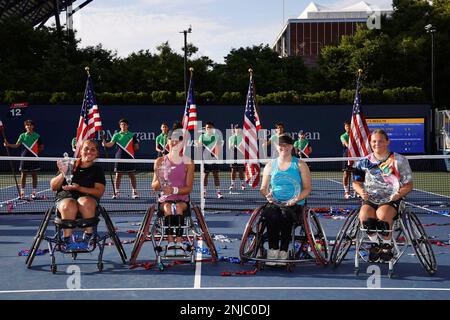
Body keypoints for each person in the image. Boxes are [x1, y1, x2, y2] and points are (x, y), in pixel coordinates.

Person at [352, 129, 413, 262]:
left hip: (391, 199)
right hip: (370, 199)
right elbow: (356, 183)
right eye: (374, 141)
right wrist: (361, 191)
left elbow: (409, 185)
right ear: (370, 143)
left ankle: (387, 246)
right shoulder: (363, 162)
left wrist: (398, 194)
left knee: (383, 216)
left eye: (380, 141)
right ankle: (375, 245)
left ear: (387, 142)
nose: (377, 144)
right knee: (365, 217)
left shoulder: (399, 160)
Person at [260, 134, 312, 266]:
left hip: (295, 203)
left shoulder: (300, 164)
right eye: (281, 145)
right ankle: (273, 250)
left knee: (286, 215)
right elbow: (263, 188)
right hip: (275, 202)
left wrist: (295, 199)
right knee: (271, 215)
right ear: (277, 147)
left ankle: (283, 251)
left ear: (292, 146)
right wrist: (268, 196)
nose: (284, 147)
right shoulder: (270, 165)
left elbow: (307, 189)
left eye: (287, 145)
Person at [50, 139, 106, 251]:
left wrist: (79, 188)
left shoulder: (97, 170)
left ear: (96, 154)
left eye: (93, 149)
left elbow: (99, 192)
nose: (89, 152)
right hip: (65, 199)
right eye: (86, 149)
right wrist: (63, 173)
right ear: (80, 151)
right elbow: (53, 187)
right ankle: (67, 239)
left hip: (88, 201)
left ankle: (88, 237)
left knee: (85, 201)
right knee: (69, 204)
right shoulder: (69, 164)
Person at [152, 122, 195, 255]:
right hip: (165, 200)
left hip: (182, 199)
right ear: (168, 141)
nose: (174, 143)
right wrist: (161, 178)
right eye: (172, 140)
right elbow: (154, 186)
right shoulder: (159, 161)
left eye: (178, 141)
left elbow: (188, 188)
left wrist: (174, 190)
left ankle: (180, 242)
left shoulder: (189, 162)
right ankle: (171, 243)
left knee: (178, 208)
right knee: (169, 208)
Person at [3, 119, 44, 199]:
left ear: (33, 126)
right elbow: (16, 145)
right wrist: (8, 144)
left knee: (34, 175)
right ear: (25, 127)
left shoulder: (37, 136)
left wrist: (35, 152)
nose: (28, 126)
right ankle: (22, 193)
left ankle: (34, 193)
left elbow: (41, 147)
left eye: (30, 125)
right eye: (27, 125)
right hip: (24, 158)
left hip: (34, 158)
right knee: (23, 175)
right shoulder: (22, 136)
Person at [103, 118, 140, 199]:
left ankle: (134, 192)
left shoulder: (132, 135)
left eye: (125, 124)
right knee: (118, 175)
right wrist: (105, 144)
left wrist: (134, 146)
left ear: (127, 126)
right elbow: (111, 144)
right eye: (122, 124)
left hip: (130, 157)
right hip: (119, 158)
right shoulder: (116, 135)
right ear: (120, 126)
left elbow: (136, 147)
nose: (123, 126)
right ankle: (116, 192)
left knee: (132, 175)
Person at [198, 121, 223, 199]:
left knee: (216, 175)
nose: (209, 128)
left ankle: (218, 193)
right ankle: (204, 193)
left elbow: (219, 145)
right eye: (207, 127)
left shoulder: (216, 136)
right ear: (205, 128)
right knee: (205, 176)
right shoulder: (201, 137)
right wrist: (198, 144)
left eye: (210, 127)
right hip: (205, 159)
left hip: (214, 158)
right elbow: (199, 145)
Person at [228, 124, 246, 192]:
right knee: (233, 170)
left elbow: (244, 147)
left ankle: (242, 184)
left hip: (240, 155)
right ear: (234, 129)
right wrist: (233, 144)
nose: (238, 129)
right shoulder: (231, 138)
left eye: (239, 128)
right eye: (236, 128)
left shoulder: (243, 137)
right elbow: (230, 147)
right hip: (233, 155)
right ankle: (232, 184)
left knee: (241, 170)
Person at [340, 120, 352, 199]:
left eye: (348, 126)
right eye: (346, 126)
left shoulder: (355, 135)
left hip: (355, 157)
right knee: (346, 174)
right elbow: (346, 144)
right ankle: (346, 192)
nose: (347, 127)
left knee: (356, 175)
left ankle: (357, 191)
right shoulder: (343, 136)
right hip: (346, 156)